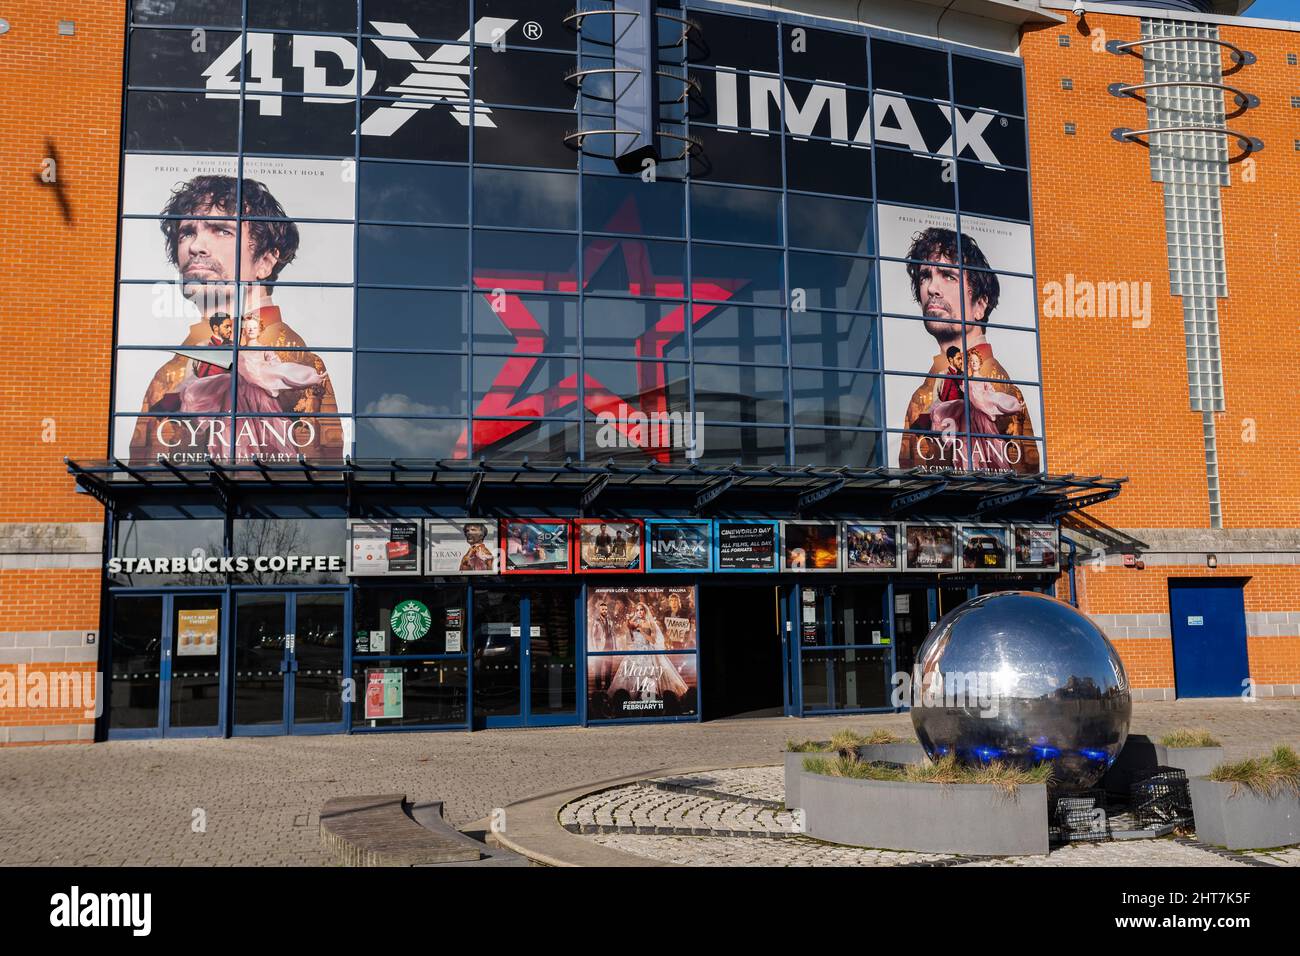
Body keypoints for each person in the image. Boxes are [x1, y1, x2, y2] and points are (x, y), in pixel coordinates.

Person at [129, 174, 342, 462]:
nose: (195, 246)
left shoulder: (297, 363)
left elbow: (317, 481)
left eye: (221, 230)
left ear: (266, 261)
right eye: (187, 232)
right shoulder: (169, 373)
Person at [896, 227, 1038, 474]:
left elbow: (1026, 477)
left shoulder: (1000, 389)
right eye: (925, 276)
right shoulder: (923, 394)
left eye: (948, 276)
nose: (931, 288)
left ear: (980, 305)